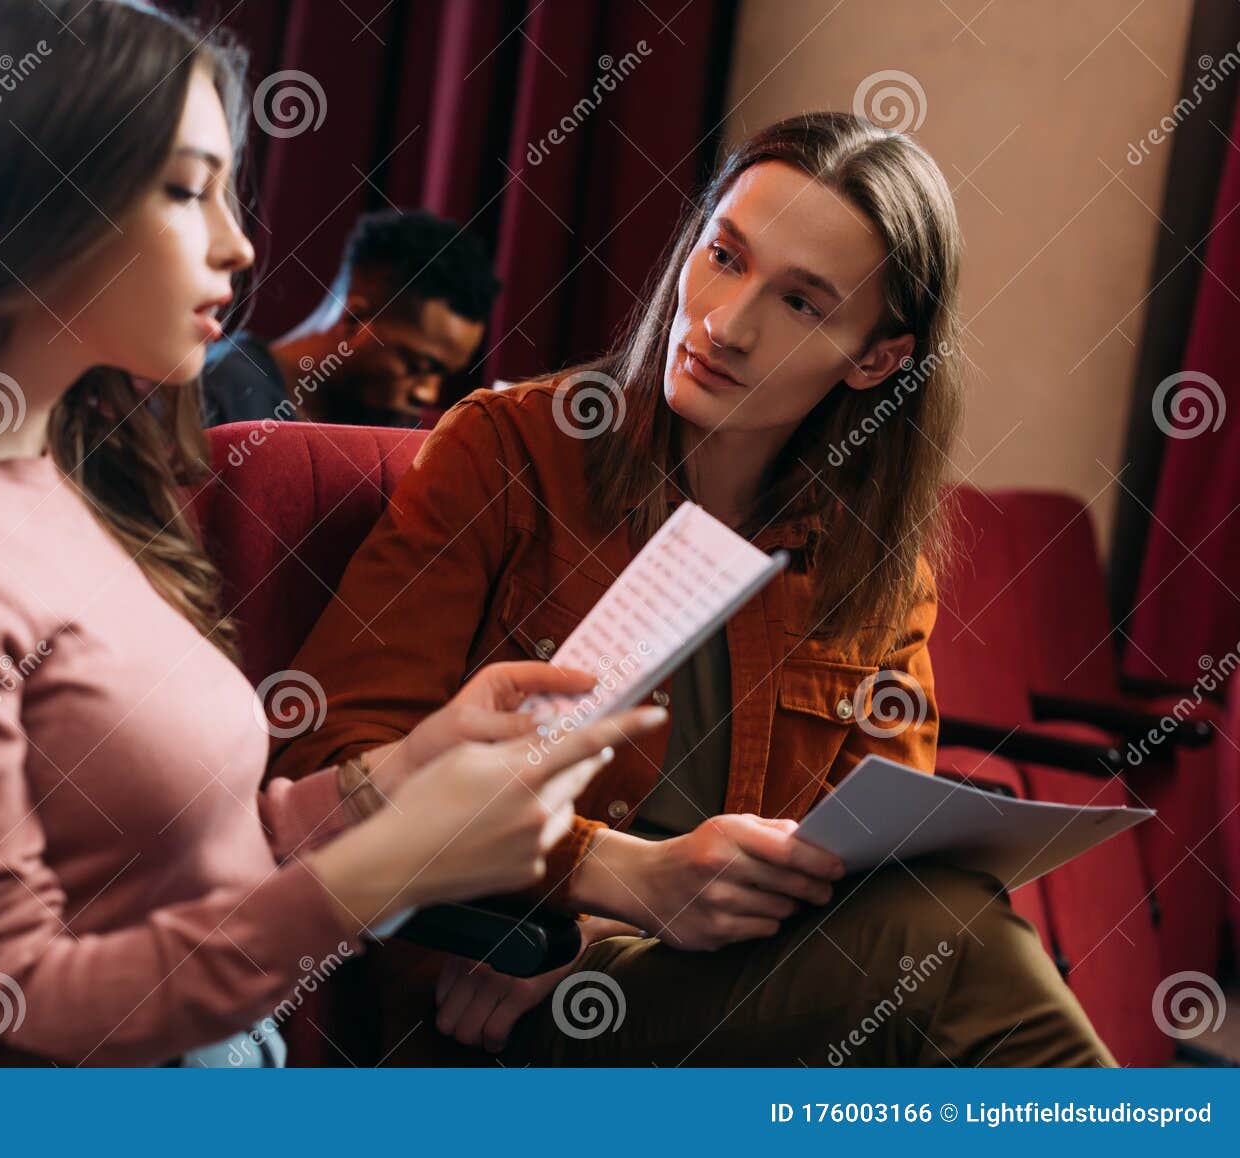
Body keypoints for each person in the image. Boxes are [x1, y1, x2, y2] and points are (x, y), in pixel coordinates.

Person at [0, 0, 663, 1068]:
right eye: (182, 190)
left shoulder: (53, 481)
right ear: (33, 195)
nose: (238, 242)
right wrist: (384, 870)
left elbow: (183, 863)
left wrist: (403, 774)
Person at [269, 111, 1118, 1066]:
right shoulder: (509, 455)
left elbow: (877, 865)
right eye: (725, 255)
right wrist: (604, 882)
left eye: (801, 303)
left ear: (876, 359)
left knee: (946, 933)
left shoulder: (877, 571)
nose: (725, 321)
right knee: (956, 948)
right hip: (499, 1007)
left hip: (730, 988)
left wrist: (609, 932)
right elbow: (327, 763)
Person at [200, 208, 498, 428]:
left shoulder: (386, 422)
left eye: (442, 375)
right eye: (417, 367)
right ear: (356, 319)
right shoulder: (216, 393)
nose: (428, 394)